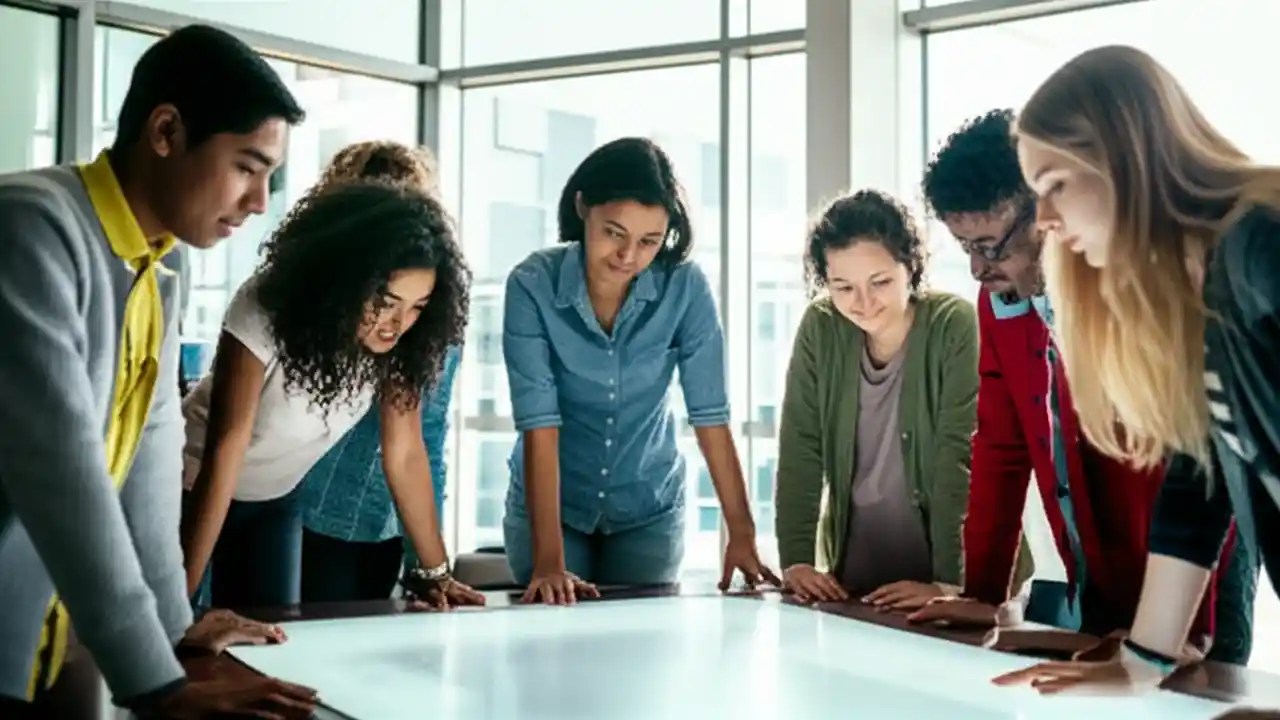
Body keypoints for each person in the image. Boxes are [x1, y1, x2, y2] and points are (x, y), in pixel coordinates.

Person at [0, 24, 318, 719]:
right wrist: (158, 687)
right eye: (246, 166)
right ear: (167, 131)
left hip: (38, 645)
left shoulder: (164, 260)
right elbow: (61, 468)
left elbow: (149, 452)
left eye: (271, 177)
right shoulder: (30, 226)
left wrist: (175, 624)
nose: (261, 201)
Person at [908, 109, 1252, 663]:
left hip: (1200, 564)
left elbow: (1197, 466)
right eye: (965, 246)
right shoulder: (1001, 304)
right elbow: (1000, 446)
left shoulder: (1131, 290)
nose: (977, 268)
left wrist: (1183, 627)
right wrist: (984, 592)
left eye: (992, 246)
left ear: (1044, 212)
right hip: (1095, 550)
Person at [988, 44, 1275, 693]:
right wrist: (1143, 662)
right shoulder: (1208, 292)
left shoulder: (1263, 247)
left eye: (1055, 185)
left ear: (1124, 156)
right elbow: (1199, 485)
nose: (1047, 222)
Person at [180, 179, 485, 612]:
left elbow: (404, 454)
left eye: (417, 306)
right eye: (386, 300)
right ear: (347, 278)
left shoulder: (399, 346)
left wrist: (436, 575)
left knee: (275, 643)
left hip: (275, 502)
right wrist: (180, 609)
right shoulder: (268, 304)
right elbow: (225, 450)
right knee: (179, 643)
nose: (396, 324)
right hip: (191, 486)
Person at [502, 136, 779, 604]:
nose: (629, 256)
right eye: (614, 232)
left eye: (649, 241)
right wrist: (550, 562)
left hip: (648, 509)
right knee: (550, 645)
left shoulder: (685, 287)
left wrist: (743, 533)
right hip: (553, 512)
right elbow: (539, 423)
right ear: (582, 207)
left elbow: (710, 415)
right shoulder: (532, 284)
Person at [774, 189, 997, 609]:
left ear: (910, 268)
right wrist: (798, 561)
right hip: (854, 585)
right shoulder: (821, 328)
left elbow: (960, 454)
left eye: (880, 282)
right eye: (843, 286)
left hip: (954, 582)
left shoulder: (954, 324)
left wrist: (950, 583)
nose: (863, 303)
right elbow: (801, 445)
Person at [294, 141, 464, 602]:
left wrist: (427, 561)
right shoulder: (325, 307)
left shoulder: (436, 321)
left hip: (388, 527)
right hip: (307, 518)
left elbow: (424, 447)